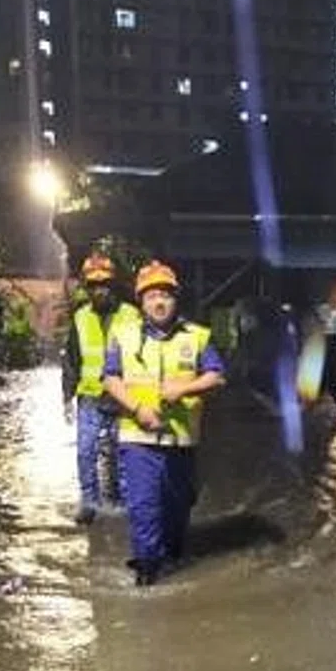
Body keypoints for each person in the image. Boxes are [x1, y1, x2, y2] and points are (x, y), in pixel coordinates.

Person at [104, 260, 228, 586]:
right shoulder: (123, 335)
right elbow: (111, 379)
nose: (159, 302)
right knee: (143, 506)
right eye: (151, 296)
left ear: (176, 299)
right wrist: (137, 408)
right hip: (137, 438)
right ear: (141, 302)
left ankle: (168, 555)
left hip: (181, 441)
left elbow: (217, 377)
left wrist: (183, 388)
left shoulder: (197, 337)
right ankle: (147, 572)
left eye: (165, 295)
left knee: (178, 508)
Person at [60, 251, 140, 524]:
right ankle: (89, 502)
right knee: (86, 451)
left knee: (123, 451)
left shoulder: (132, 315)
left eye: (104, 283)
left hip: (124, 397)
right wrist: (66, 397)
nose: (99, 290)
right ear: (86, 286)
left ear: (113, 284)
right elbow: (71, 358)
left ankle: (123, 502)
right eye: (93, 285)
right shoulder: (80, 317)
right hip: (90, 396)